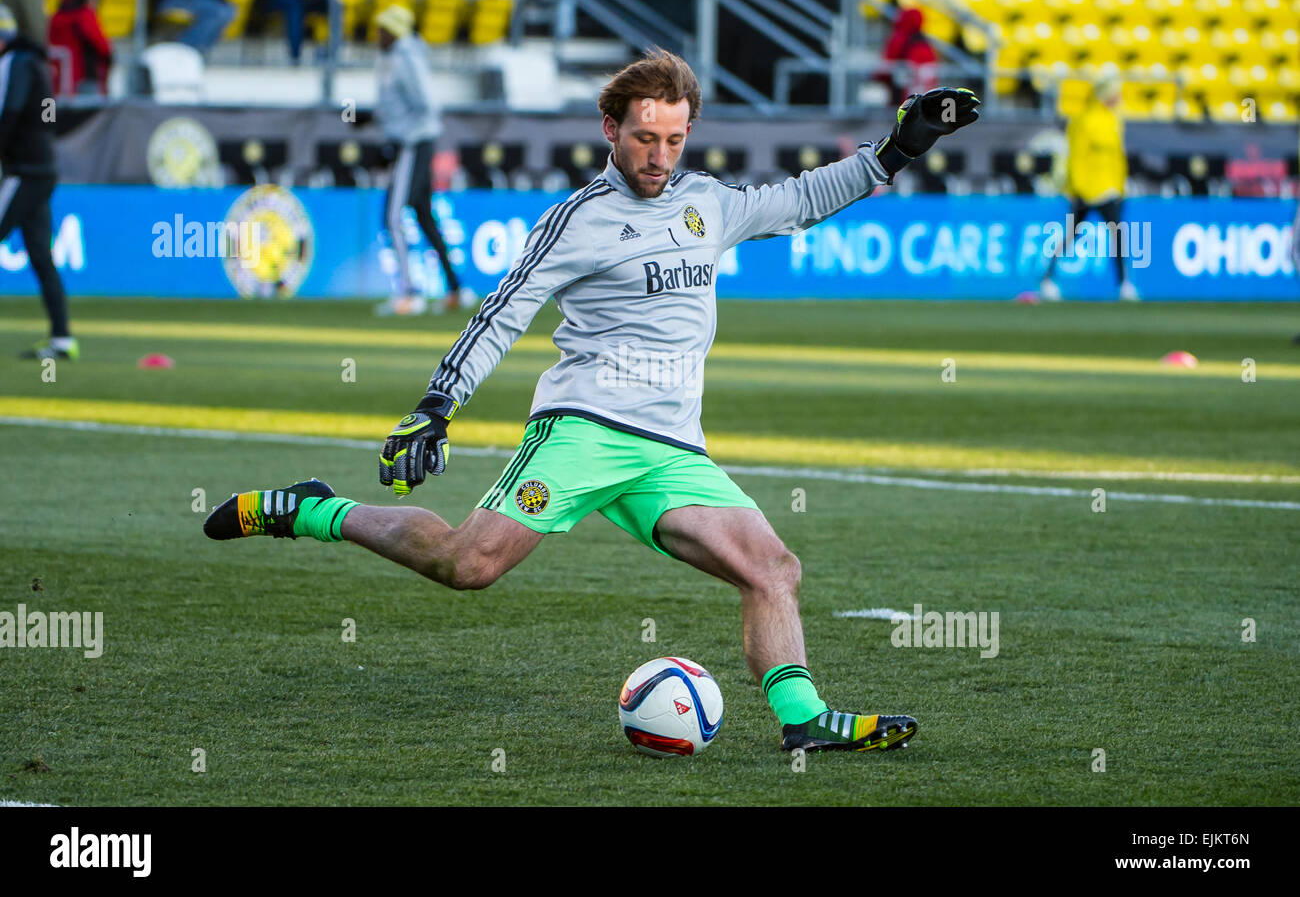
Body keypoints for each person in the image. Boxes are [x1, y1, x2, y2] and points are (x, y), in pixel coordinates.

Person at [204, 49, 980, 753]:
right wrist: (439, 403)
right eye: (646, 137)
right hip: (585, 427)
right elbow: (503, 312)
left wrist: (898, 148)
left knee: (773, 565)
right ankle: (314, 509)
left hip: (673, 449)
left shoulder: (707, 203)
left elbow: (803, 198)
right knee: (468, 564)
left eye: (675, 140)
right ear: (610, 128)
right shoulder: (575, 221)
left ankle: (804, 718)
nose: (660, 156)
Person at [372, 4, 469, 315]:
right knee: (424, 215)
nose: (378, 36)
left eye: (383, 30)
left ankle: (409, 293)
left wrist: (402, 131)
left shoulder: (404, 58)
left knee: (392, 216)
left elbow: (425, 103)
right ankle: (455, 289)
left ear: (395, 31)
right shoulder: (396, 58)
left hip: (411, 144)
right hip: (413, 141)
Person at [0, 5, 76, 361]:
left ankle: (62, 339)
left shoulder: (15, 64)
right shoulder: (37, 63)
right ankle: (62, 340)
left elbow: (11, 111)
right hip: (43, 170)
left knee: (41, 256)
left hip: (26, 173)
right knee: (41, 257)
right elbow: (46, 116)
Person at [1040, 76, 1137, 301]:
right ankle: (1047, 279)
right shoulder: (1082, 120)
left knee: (1118, 236)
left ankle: (1124, 284)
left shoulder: (1113, 120)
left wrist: (1120, 186)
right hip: (1086, 190)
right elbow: (1076, 157)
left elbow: (1116, 158)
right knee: (1071, 235)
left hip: (1110, 189)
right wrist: (1076, 188)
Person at [47, 0, 114, 96]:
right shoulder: (85, 16)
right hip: (85, 80)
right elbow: (103, 47)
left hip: (58, 83)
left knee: (55, 114)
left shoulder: (55, 18)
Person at [880, 6, 938, 106]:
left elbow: (885, 67)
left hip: (902, 94)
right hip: (925, 96)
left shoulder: (899, 39)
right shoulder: (925, 43)